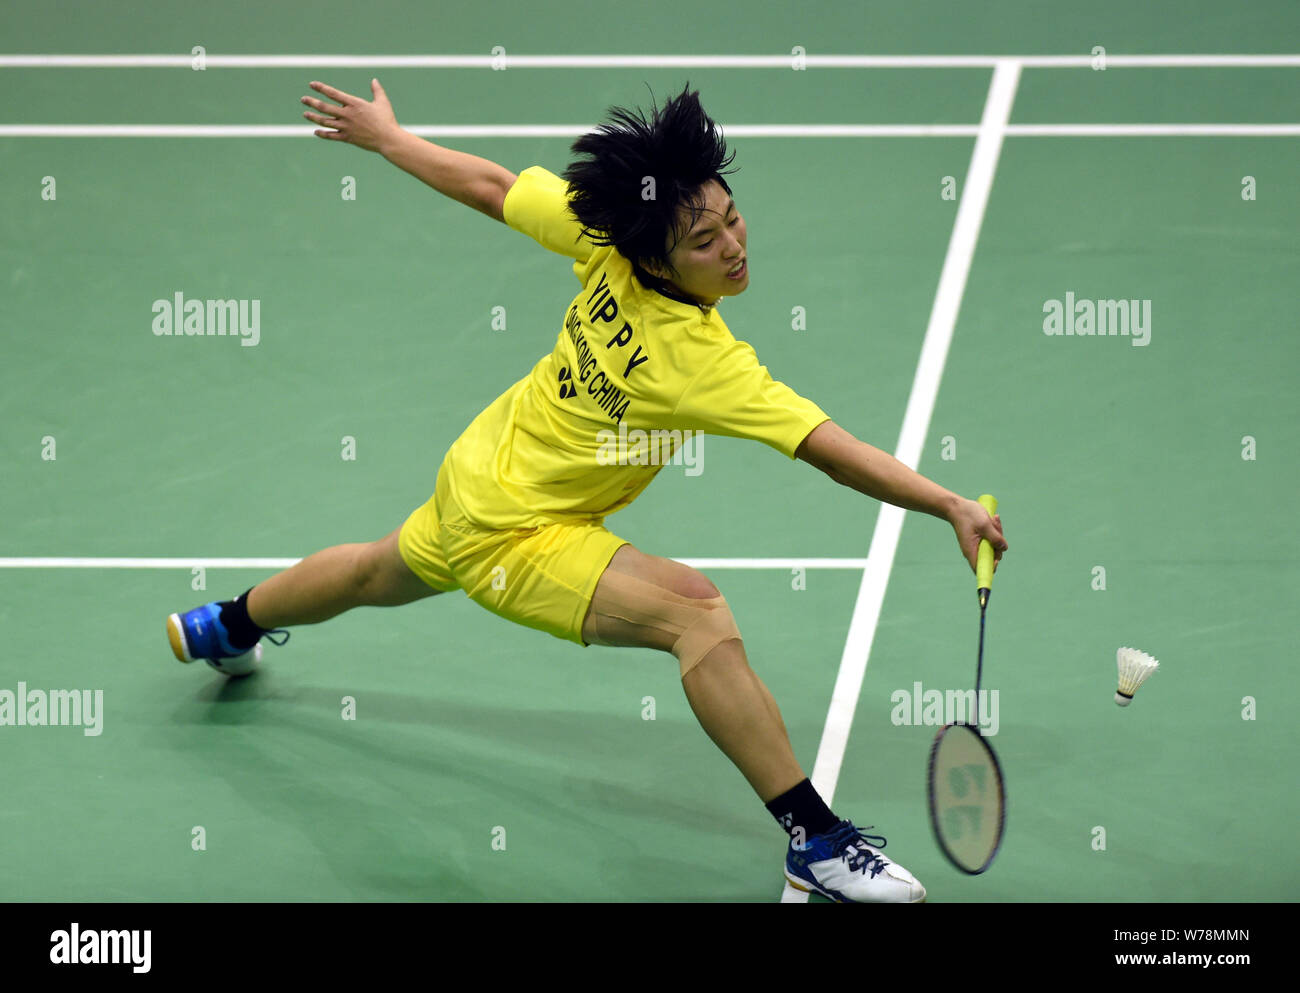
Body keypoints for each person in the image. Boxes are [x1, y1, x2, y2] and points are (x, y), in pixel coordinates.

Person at [166, 80, 1008, 903]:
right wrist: (949, 502)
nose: (734, 245)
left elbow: (496, 189)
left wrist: (391, 140)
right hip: (519, 535)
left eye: (731, 218)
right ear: (658, 255)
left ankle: (226, 624)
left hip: (480, 473)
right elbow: (831, 448)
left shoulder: (607, 239)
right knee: (697, 614)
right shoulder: (700, 361)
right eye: (706, 241)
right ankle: (817, 843)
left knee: (370, 574)